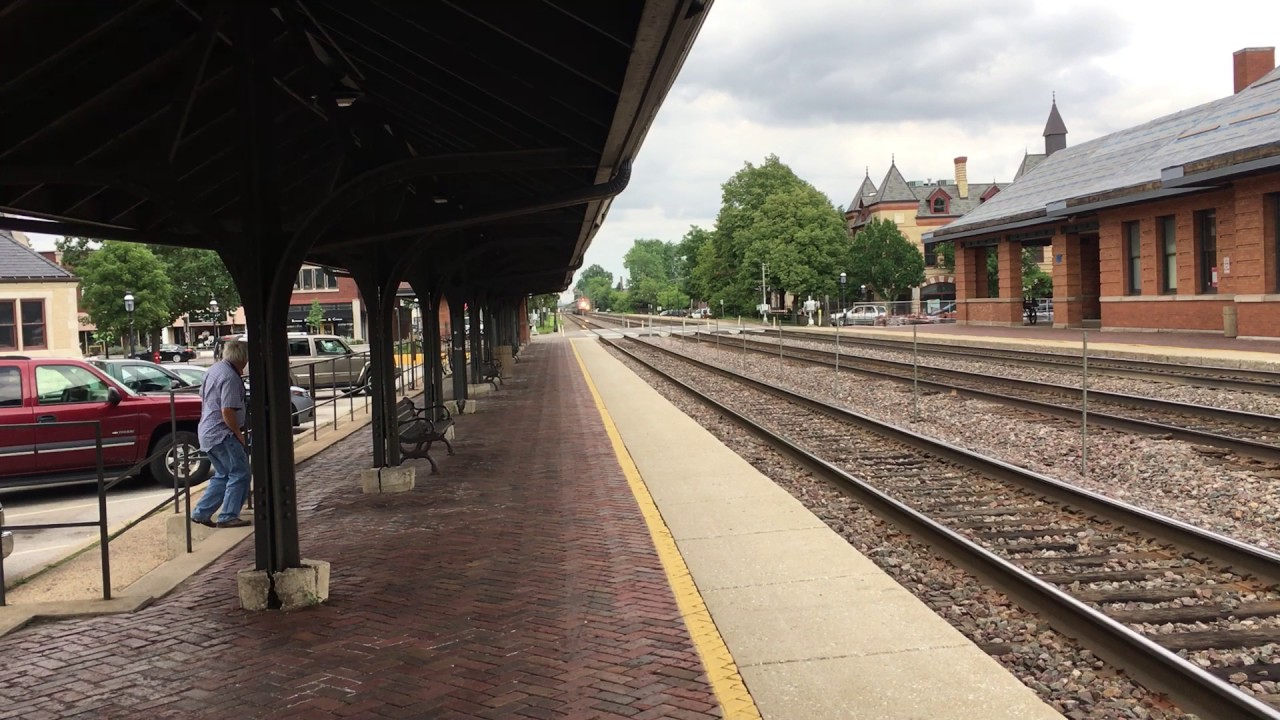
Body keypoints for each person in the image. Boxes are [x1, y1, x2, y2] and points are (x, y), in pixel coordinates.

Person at [191, 339, 251, 528]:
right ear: (242, 358)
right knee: (240, 473)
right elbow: (227, 411)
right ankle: (228, 516)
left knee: (224, 474)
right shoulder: (230, 378)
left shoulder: (215, 369)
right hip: (222, 433)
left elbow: (204, 395)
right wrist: (238, 433)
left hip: (207, 431)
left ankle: (202, 512)